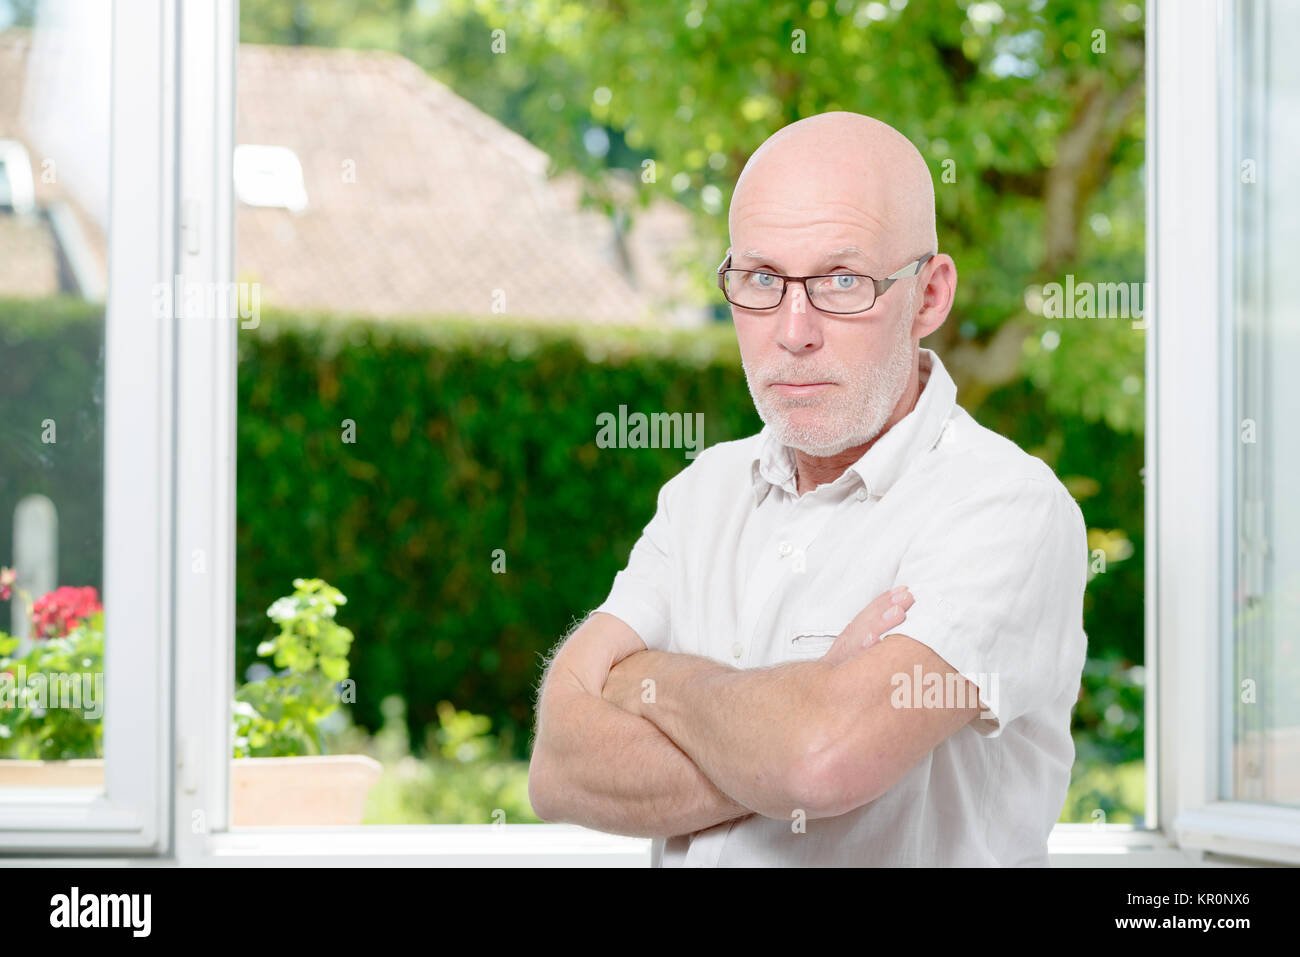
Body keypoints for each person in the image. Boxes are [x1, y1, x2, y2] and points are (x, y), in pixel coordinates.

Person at [528, 111, 1088, 866]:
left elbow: (821, 761)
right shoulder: (701, 493)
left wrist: (652, 681)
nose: (794, 331)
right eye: (762, 279)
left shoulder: (1005, 507)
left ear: (929, 296)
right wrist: (800, 708)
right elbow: (558, 767)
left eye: (842, 281)